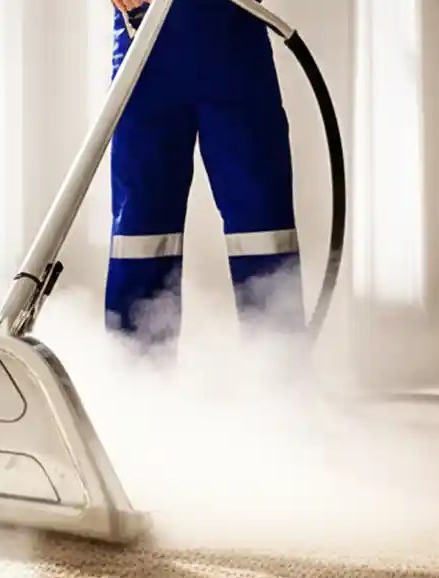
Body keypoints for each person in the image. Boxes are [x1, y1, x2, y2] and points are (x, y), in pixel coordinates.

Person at [105, 0, 304, 351]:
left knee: (261, 226)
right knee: (141, 227)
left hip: (233, 42)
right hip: (146, 45)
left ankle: (279, 366)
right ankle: (136, 371)